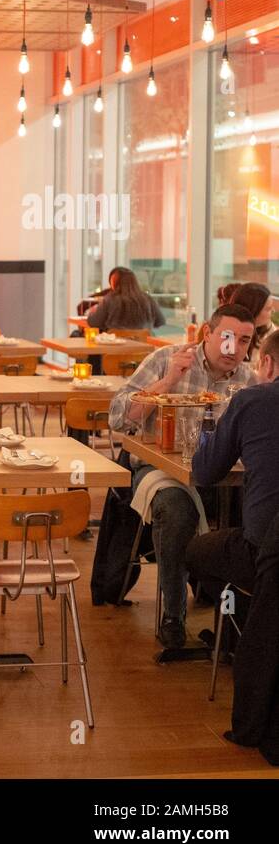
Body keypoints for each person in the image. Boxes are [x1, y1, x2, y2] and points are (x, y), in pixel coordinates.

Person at [108, 303, 260, 648]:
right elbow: (117, 418)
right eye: (226, 337)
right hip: (158, 469)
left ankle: (238, 622)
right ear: (207, 333)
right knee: (177, 511)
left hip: (224, 479)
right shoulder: (168, 359)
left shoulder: (250, 381)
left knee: (257, 514)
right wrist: (168, 382)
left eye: (244, 340)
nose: (233, 349)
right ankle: (173, 616)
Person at [188, 329, 279, 630]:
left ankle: (243, 637)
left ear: (267, 363)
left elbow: (204, 472)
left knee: (197, 552)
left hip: (263, 552)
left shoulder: (252, 400)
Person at [85, 267, 166, 333]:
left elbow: (94, 323)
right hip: (144, 349)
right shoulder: (148, 299)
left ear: (114, 283)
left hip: (114, 349)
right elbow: (160, 322)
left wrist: (92, 312)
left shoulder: (109, 299)